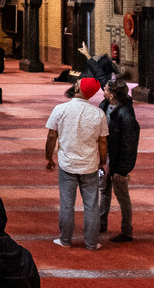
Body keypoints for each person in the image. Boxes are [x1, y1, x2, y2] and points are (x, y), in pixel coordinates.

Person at [46, 76, 109, 251]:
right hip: (90, 165)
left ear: (78, 89)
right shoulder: (98, 114)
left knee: (67, 203)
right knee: (91, 205)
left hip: (67, 164)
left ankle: (65, 240)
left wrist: (48, 158)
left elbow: (52, 136)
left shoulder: (60, 109)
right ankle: (91, 243)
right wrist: (102, 162)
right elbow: (103, 142)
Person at [100, 80, 139, 243]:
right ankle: (101, 223)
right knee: (104, 191)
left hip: (117, 161)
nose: (103, 90)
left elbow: (130, 145)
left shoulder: (126, 115)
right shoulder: (104, 105)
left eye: (106, 89)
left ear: (112, 95)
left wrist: (123, 170)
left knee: (122, 196)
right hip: (107, 157)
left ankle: (127, 231)